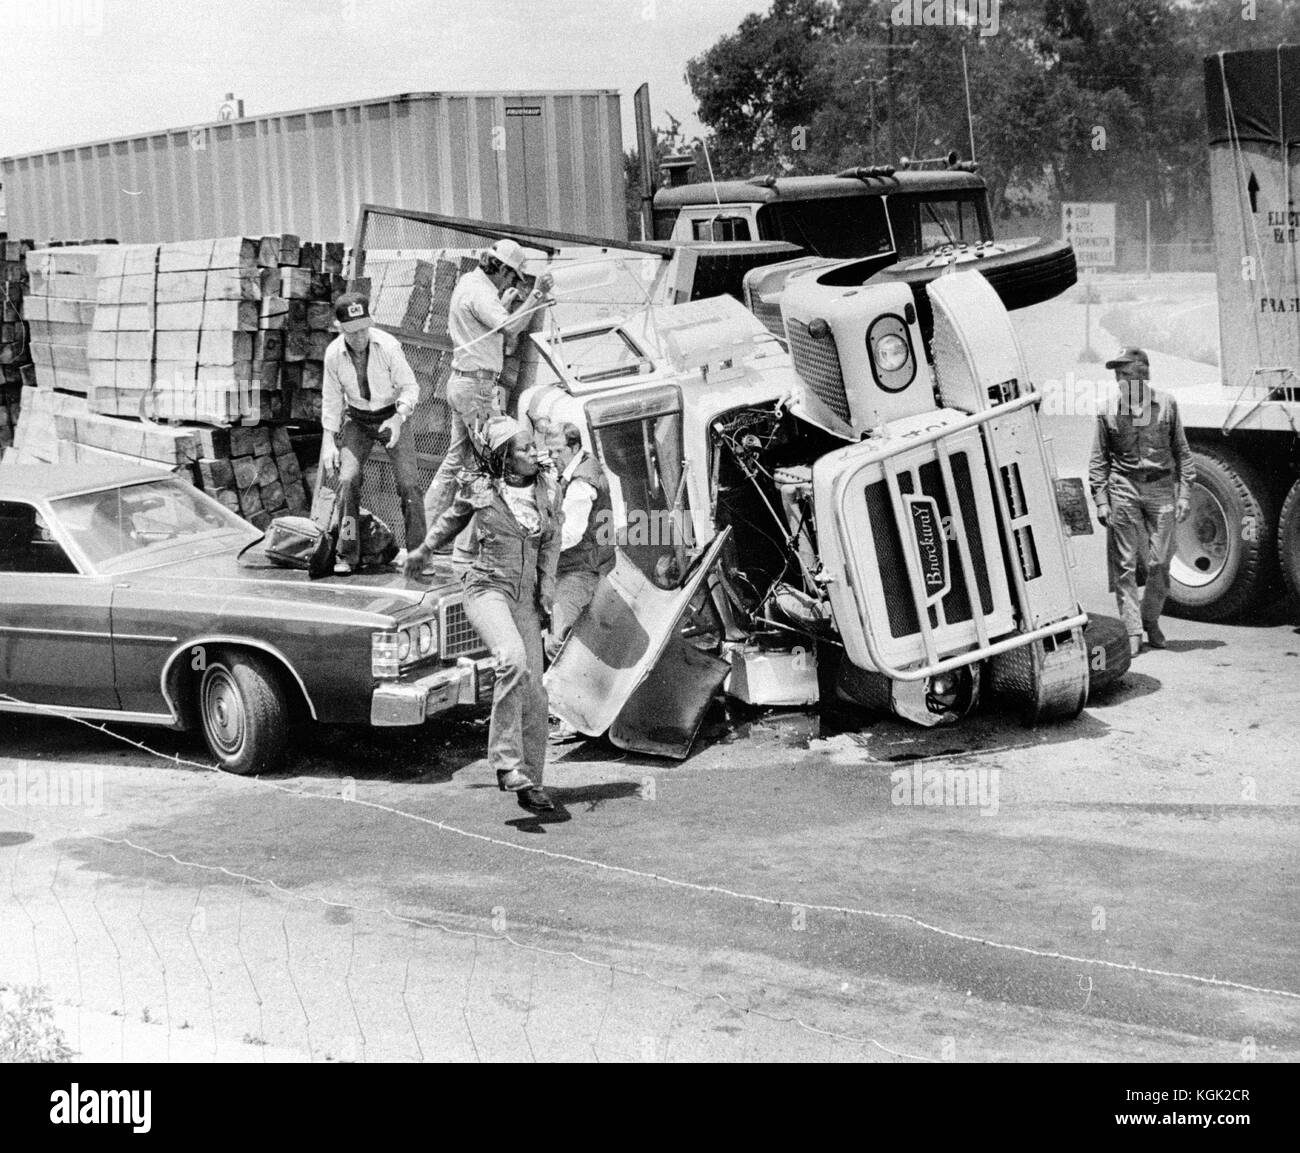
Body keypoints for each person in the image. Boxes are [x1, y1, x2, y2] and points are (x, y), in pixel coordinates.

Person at [404, 416, 562, 813]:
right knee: (512, 661)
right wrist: (425, 548)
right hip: (485, 585)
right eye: (524, 449)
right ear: (505, 458)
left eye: (532, 447)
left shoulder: (547, 488)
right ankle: (506, 764)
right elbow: (454, 517)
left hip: (524, 594)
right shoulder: (482, 486)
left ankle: (530, 782)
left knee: (536, 691)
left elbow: (551, 543)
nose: (533, 453)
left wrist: (547, 590)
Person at [422, 239, 554, 540]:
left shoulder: (469, 283)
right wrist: (537, 295)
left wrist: (504, 304)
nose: (510, 282)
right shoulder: (481, 293)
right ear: (503, 269)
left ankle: (428, 535)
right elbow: (510, 329)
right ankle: (472, 544)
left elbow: (484, 326)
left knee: (457, 463)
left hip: (466, 383)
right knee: (491, 463)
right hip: (478, 389)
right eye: (511, 276)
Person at [1088, 347, 1195, 655]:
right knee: (1124, 564)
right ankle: (1133, 630)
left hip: (1161, 489)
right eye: (1117, 376)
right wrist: (1101, 500)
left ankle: (1150, 621)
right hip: (1123, 489)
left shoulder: (1167, 405)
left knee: (1160, 562)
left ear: (1144, 375)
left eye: (1126, 375)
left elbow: (1182, 453)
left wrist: (1185, 493)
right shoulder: (1108, 409)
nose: (1120, 381)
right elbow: (1099, 459)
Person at [319, 292, 424, 575]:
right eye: (352, 331)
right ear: (340, 328)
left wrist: (399, 418)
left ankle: (417, 555)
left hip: (392, 416)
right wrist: (329, 440)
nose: (360, 336)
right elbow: (331, 400)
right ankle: (347, 552)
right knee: (347, 480)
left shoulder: (388, 346)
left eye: (364, 327)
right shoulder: (333, 355)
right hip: (358, 419)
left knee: (409, 484)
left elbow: (411, 387)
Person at [544, 421, 615, 661]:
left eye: (558, 451)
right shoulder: (583, 464)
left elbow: (570, 535)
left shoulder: (581, 483)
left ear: (574, 448)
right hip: (581, 563)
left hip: (580, 569)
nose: (553, 457)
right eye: (550, 451)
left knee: (557, 643)